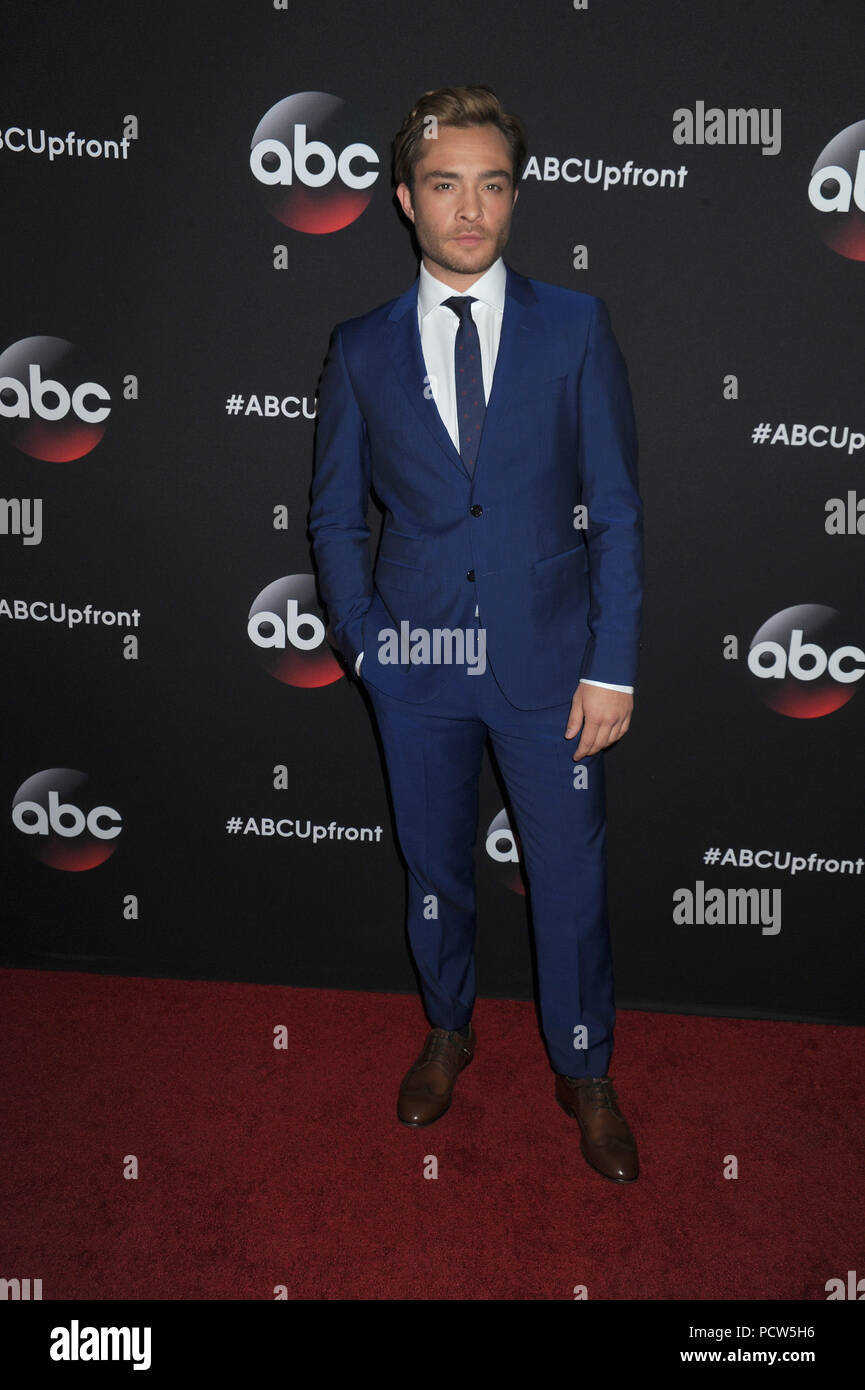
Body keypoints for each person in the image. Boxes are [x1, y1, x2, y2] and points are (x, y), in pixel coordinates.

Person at [309, 85, 643, 1182]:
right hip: (416, 665)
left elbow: (619, 507)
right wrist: (367, 649)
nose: (469, 209)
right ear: (405, 198)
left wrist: (612, 660)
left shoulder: (574, 325)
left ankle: (583, 1066)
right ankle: (448, 1025)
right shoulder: (359, 347)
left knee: (572, 879)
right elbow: (331, 513)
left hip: (553, 663)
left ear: (513, 195)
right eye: (445, 184)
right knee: (435, 869)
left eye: (491, 184)